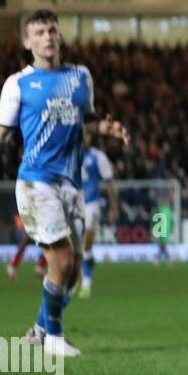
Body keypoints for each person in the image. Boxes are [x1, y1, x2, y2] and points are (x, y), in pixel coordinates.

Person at [0, 9, 130, 356]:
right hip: (37, 182)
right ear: (27, 42)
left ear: (59, 35)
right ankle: (53, 339)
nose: (47, 37)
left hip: (72, 185)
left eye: (51, 30)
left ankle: (39, 330)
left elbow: (89, 121)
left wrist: (106, 128)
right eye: (38, 32)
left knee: (73, 273)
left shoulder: (81, 76)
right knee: (63, 261)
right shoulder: (18, 84)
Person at [78, 124, 117, 297]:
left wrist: (113, 206)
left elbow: (109, 181)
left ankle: (86, 283)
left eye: (87, 135)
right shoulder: (70, 155)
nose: (85, 138)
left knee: (86, 243)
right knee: (75, 246)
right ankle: (75, 280)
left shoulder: (98, 157)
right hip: (73, 203)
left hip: (91, 204)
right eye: (82, 135)